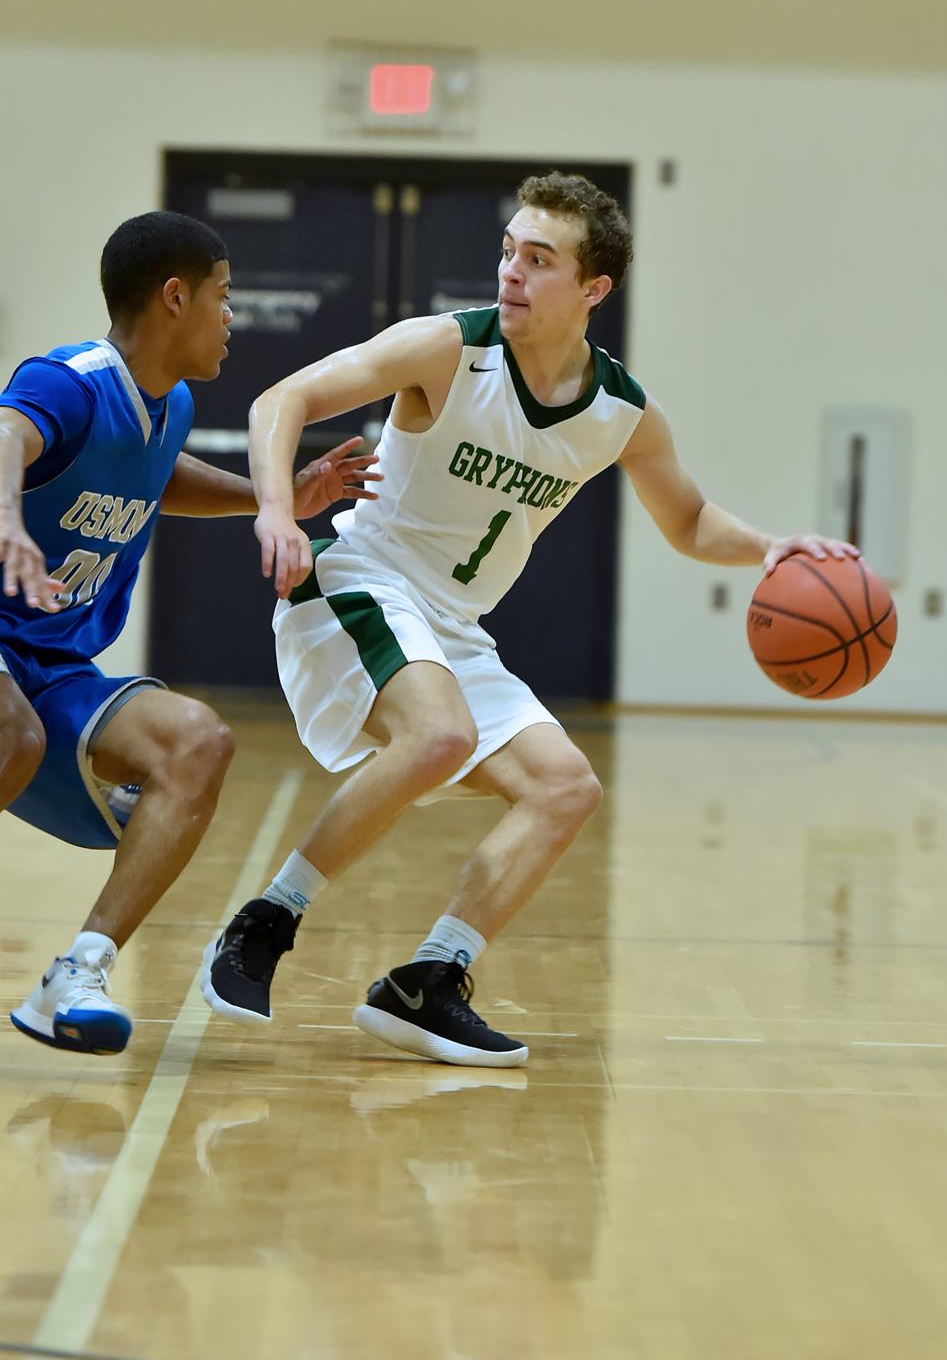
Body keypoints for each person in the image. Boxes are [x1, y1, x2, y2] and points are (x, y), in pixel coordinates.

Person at [200, 172, 856, 1067]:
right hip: (358, 579)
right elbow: (283, 400)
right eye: (508, 250)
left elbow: (690, 522)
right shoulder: (447, 349)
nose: (510, 271)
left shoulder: (620, 413)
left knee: (564, 788)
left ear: (593, 290)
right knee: (437, 735)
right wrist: (276, 509)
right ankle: (263, 923)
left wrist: (773, 548)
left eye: (538, 260)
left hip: (453, 628)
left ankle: (427, 981)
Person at [0, 211, 373, 1083]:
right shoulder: (68, 381)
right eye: (223, 298)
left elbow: (157, 476)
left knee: (197, 742)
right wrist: (0, 514)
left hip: (49, 666)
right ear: (175, 296)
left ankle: (75, 976)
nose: (231, 318)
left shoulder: (167, 404)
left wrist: (280, 497)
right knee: (7, 739)